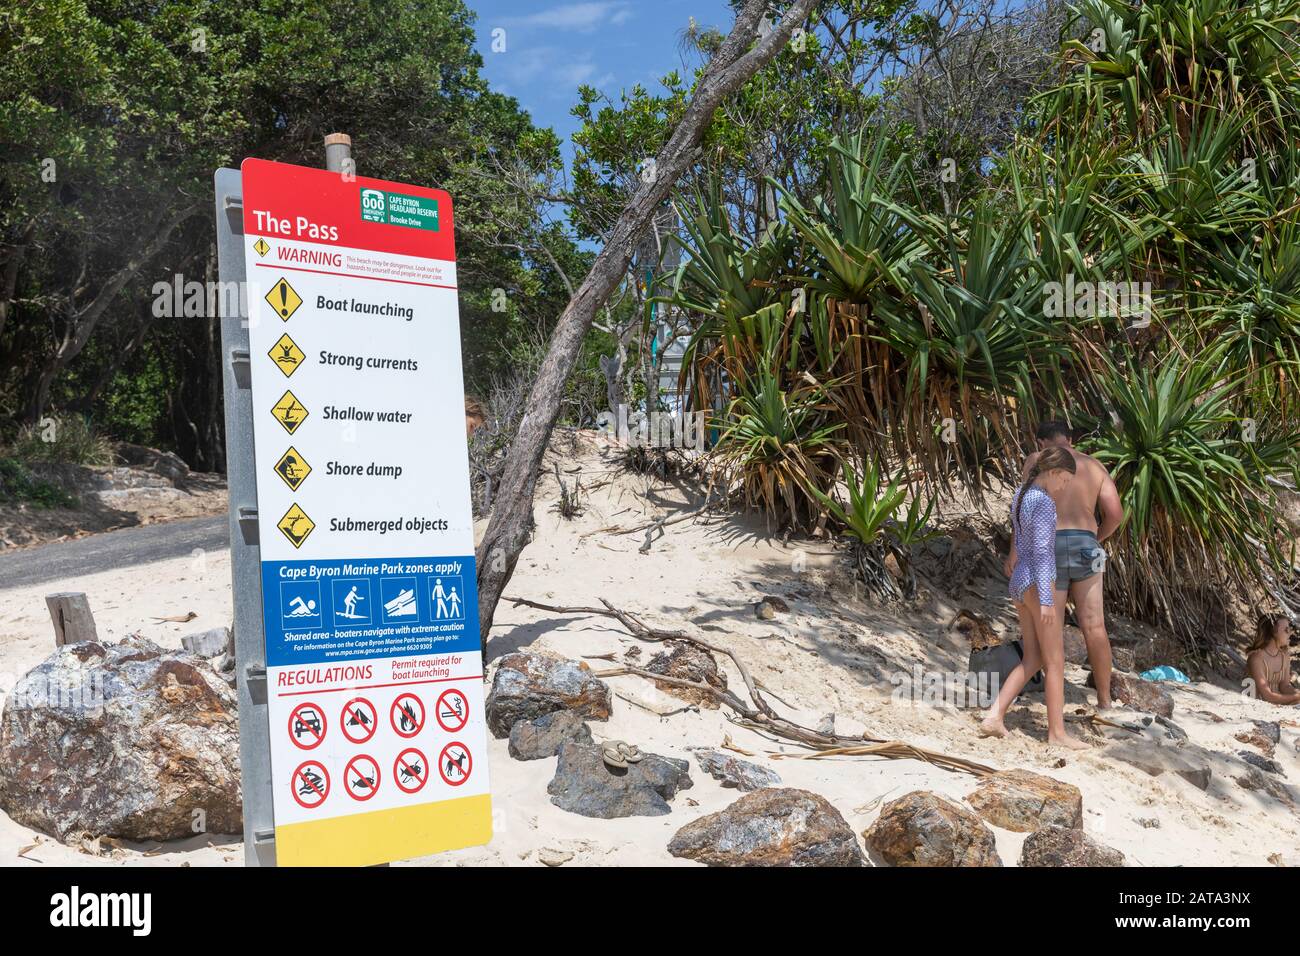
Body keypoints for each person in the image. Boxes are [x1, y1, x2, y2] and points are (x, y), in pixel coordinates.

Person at [1005, 420, 1123, 709]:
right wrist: (1095, 536)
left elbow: (1024, 512)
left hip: (1051, 543)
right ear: (1070, 439)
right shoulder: (1095, 465)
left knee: (1051, 624)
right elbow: (1115, 513)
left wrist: (1014, 553)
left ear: (1043, 444)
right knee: (1095, 624)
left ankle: (1052, 697)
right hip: (1088, 545)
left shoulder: (1037, 461)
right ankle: (1105, 700)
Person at [982, 446, 1089, 749]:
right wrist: (1046, 599)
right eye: (1065, 480)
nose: (1065, 487)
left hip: (1018, 582)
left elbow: (1021, 541)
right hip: (1036, 583)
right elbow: (1042, 554)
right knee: (1055, 661)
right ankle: (1056, 733)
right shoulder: (1043, 503)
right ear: (1054, 472)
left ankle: (995, 715)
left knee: (1033, 657)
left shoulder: (1022, 494)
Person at [1246, 613, 1300, 705]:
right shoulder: (1256, 658)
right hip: (1257, 706)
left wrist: (1297, 693)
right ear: (1273, 632)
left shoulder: (1284, 655)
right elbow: (1268, 696)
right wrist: (1297, 697)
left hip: (1278, 705)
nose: (1290, 633)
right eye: (1286, 630)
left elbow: (1285, 687)